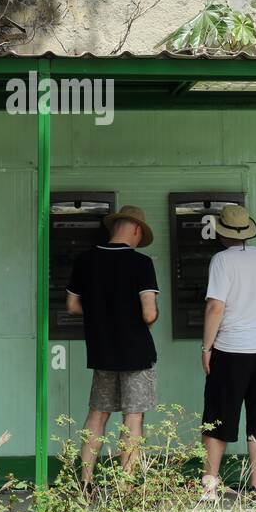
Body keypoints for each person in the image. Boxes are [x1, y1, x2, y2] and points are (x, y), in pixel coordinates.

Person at [64, 205, 159, 486]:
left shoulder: (85, 260)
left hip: (102, 351)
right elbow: (149, 313)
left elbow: (71, 306)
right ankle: (125, 485)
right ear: (137, 229)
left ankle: (85, 481)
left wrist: (100, 313)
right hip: (136, 353)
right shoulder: (141, 263)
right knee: (133, 417)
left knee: (97, 414)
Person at [199, 204, 256, 500]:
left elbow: (215, 306)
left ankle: (210, 484)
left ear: (221, 232)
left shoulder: (221, 260)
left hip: (230, 349)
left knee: (219, 416)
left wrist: (206, 347)